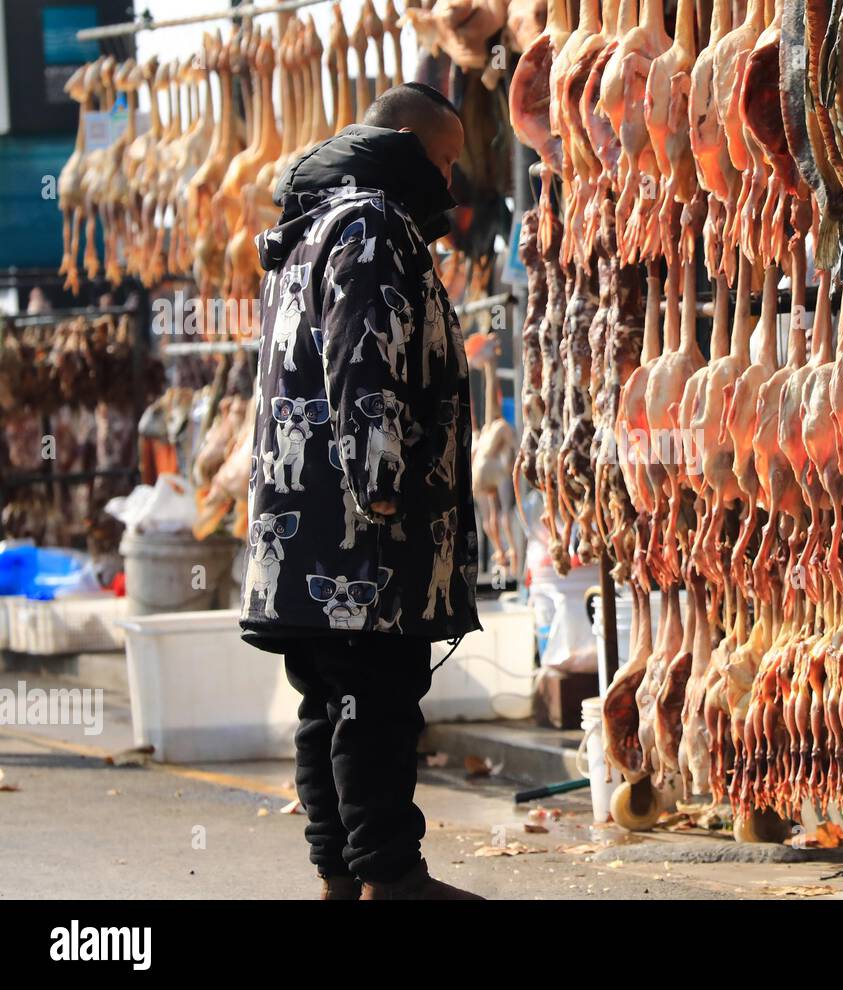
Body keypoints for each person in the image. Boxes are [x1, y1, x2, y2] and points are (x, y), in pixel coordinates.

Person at [240, 82, 483, 900]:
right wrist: (383, 497)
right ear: (409, 147)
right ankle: (391, 877)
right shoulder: (372, 225)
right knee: (377, 701)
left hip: (302, 521)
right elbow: (363, 365)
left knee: (329, 706)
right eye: (444, 162)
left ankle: (341, 875)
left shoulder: (306, 228)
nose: (449, 186)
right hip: (359, 528)